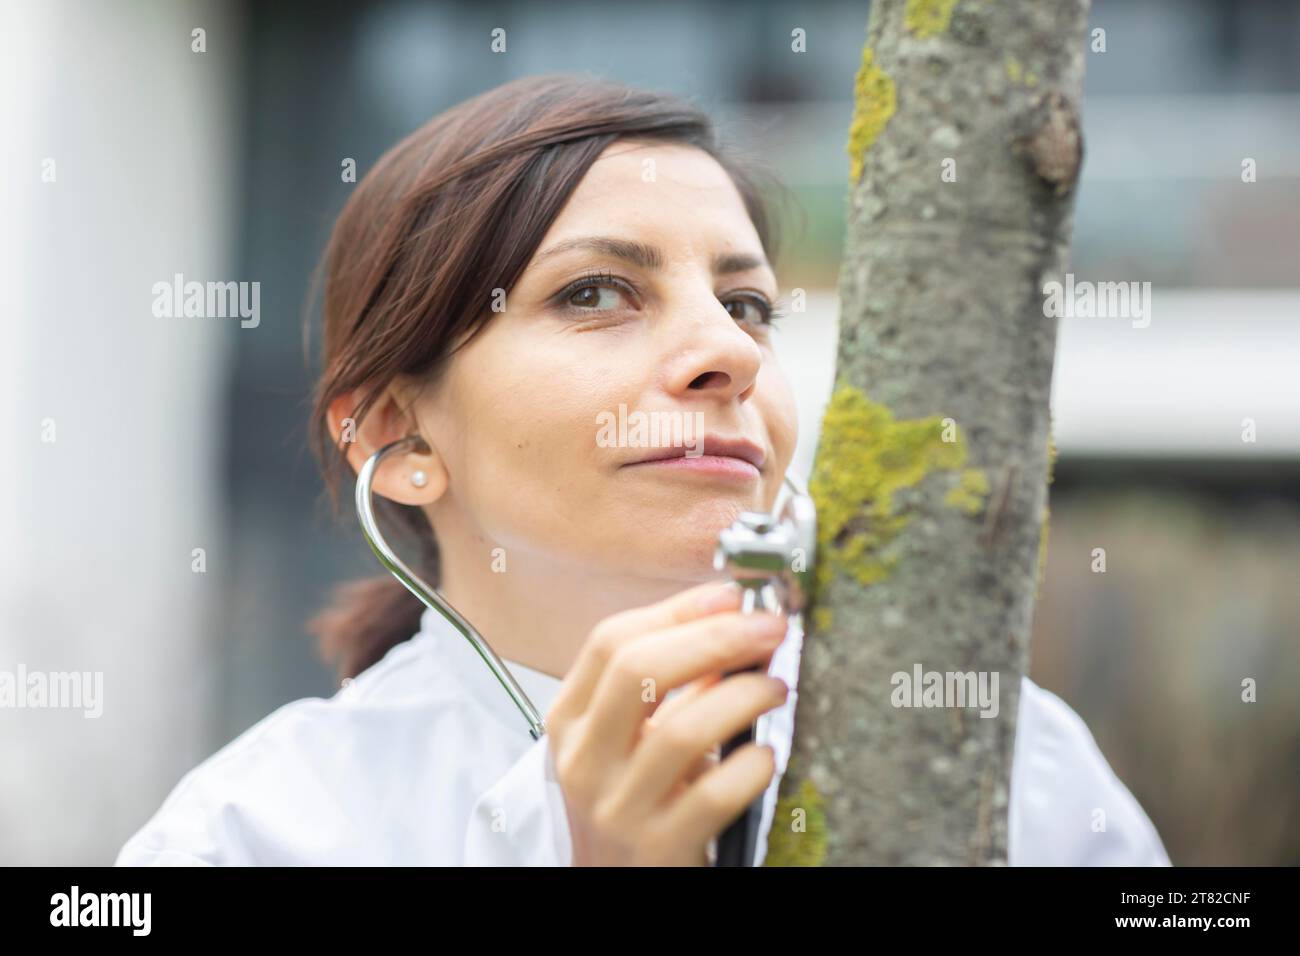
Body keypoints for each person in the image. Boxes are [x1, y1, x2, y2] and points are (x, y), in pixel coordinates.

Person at [116, 73, 1170, 867]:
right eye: (594, 294)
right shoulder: (252, 834)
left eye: (745, 303)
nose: (733, 352)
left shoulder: (991, 745)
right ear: (399, 437)